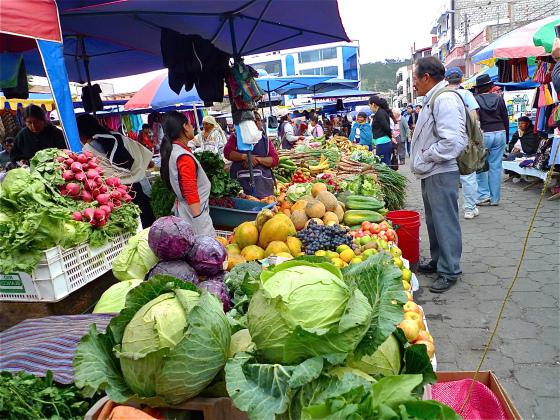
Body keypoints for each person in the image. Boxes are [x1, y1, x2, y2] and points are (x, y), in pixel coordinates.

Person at [410, 56, 467, 293]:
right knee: (434, 221)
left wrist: (426, 155)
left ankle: (450, 270)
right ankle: (438, 261)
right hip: (431, 171)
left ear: (426, 77)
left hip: (441, 170)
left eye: (415, 78)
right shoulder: (434, 98)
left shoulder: (445, 99)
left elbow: (453, 142)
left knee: (445, 221)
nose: (413, 83)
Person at [76, 114, 156, 228]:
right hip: (138, 191)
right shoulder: (120, 138)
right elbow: (150, 162)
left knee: (133, 229)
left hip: (116, 197)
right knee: (148, 227)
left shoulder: (87, 151)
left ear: (80, 134)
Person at [159, 111, 215, 236]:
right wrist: (200, 223)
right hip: (194, 216)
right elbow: (191, 193)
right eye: (191, 124)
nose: (193, 127)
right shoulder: (183, 156)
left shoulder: (173, 151)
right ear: (185, 126)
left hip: (186, 213)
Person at [444, 67, 482, 220]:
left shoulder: (442, 94)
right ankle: (469, 209)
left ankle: (449, 210)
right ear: (461, 80)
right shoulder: (466, 94)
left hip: (445, 141)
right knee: (468, 175)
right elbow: (473, 118)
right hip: (464, 140)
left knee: (449, 176)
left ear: (446, 79)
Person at [474, 74, 509, 206]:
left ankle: (483, 195)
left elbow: (474, 120)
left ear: (478, 88)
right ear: (490, 86)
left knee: (481, 166)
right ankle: (495, 199)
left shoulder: (475, 99)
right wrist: (506, 136)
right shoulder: (499, 99)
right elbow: (505, 118)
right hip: (500, 132)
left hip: (484, 133)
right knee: (495, 166)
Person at [224, 111, 278, 198]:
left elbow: (275, 160)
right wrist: (244, 157)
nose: (256, 122)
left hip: (262, 186)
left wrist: (257, 159)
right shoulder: (236, 137)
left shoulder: (265, 141)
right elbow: (227, 152)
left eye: (258, 119)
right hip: (240, 184)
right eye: (253, 120)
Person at [368, 95, 394, 165]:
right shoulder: (379, 113)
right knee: (383, 164)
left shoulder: (380, 113)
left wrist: (390, 137)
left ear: (373, 104)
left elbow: (386, 128)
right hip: (381, 143)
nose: (370, 108)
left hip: (383, 143)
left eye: (369, 105)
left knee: (384, 165)